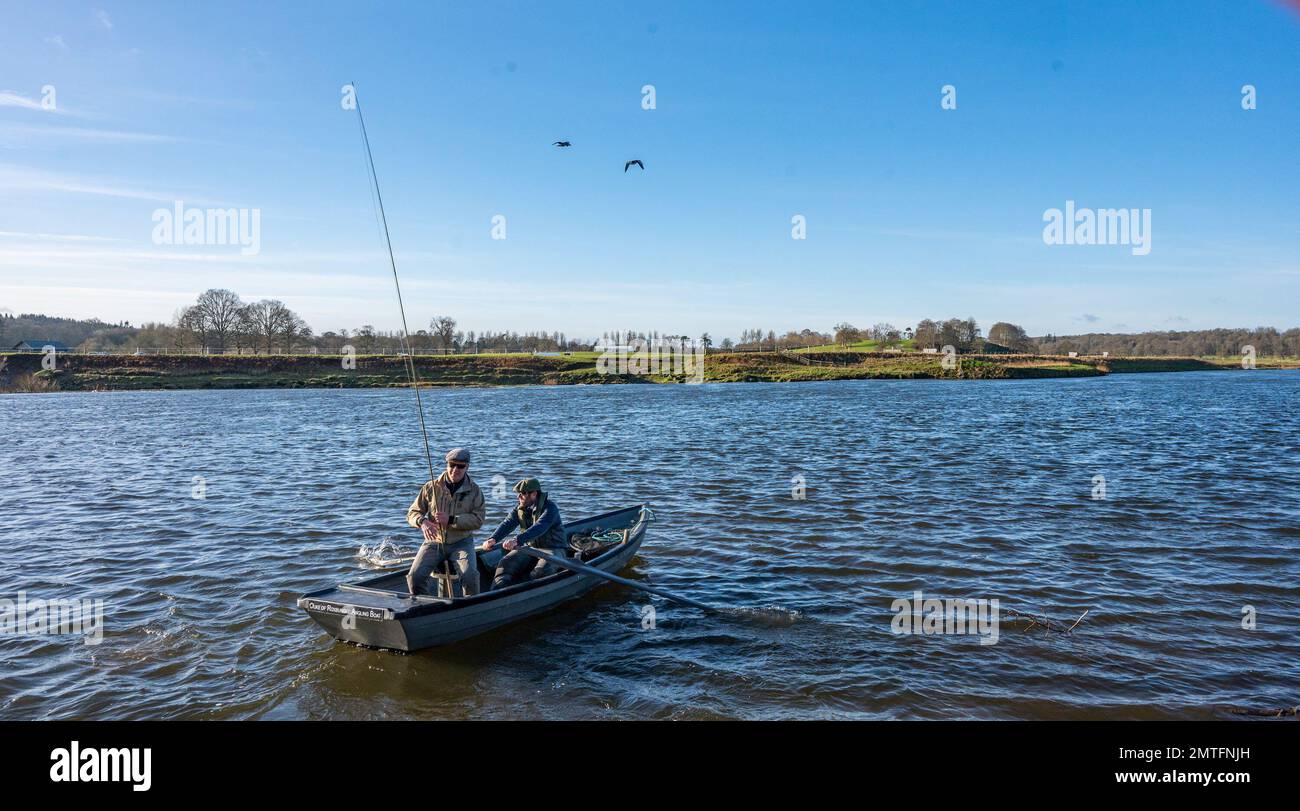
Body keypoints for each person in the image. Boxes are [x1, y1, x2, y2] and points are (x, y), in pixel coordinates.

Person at [405, 448, 487, 597]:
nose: (455, 469)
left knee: (470, 576)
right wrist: (422, 522)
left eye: (460, 466)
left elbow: (478, 520)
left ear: (467, 467)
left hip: (462, 542)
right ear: (447, 465)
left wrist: (451, 520)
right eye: (452, 465)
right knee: (414, 577)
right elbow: (412, 513)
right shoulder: (430, 487)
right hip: (434, 542)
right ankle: (426, 608)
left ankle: (469, 609)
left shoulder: (475, 491)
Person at [482, 477, 567, 590]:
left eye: (522, 494)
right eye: (518, 494)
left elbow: (539, 527)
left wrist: (516, 540)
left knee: (541, 571)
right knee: (505, 563)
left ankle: (527, 592)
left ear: (534, 494)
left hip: (553, 549)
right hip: (530, 548)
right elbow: (507, 523)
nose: (519, 497)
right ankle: (498, 591)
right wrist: (493, 539)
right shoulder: (520, 509)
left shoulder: (550, 508)